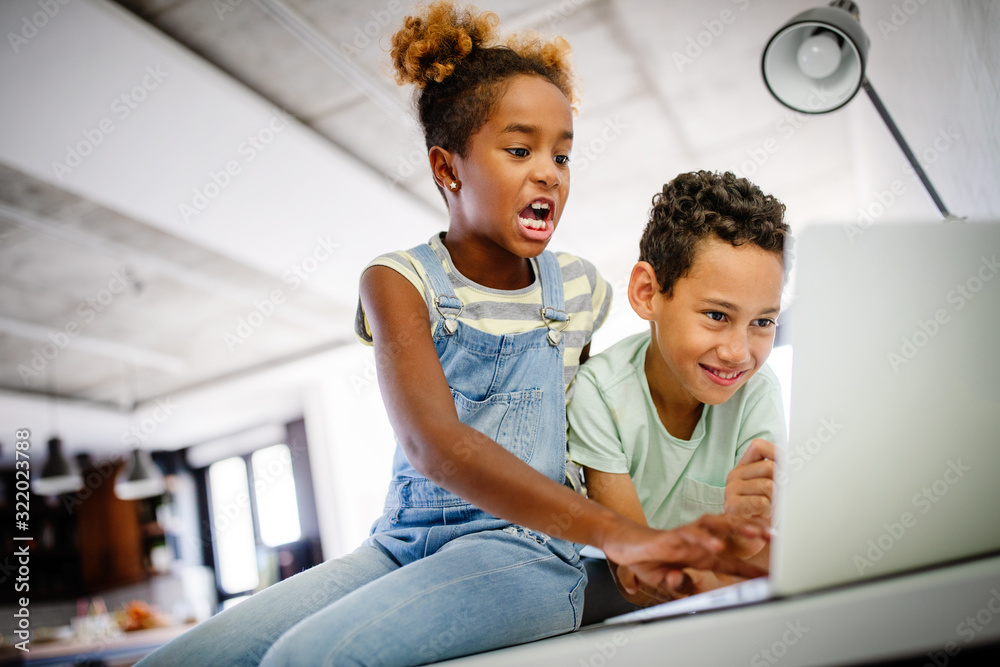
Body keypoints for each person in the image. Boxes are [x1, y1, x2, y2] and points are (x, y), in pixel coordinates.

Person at [138, 8, 766, 666]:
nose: (551, 171)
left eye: (562, 153)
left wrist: (637, 537)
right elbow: (437, 446)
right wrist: (621, 535)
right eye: (520, 149)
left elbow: (588, 431)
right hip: (402, 545)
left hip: (528, 553)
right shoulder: (398, 281)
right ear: (448, 167)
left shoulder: (579, 289)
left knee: (308, 658)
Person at [568, 171, 789, 615]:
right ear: (648, 293)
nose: (739, 353)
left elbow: (770, 556)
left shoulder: (757, 392)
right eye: (715, 315)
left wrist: (747, 531)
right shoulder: (600, 395)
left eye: (763, 322)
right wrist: (734, 552)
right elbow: (634, 579)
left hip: (710, 600)